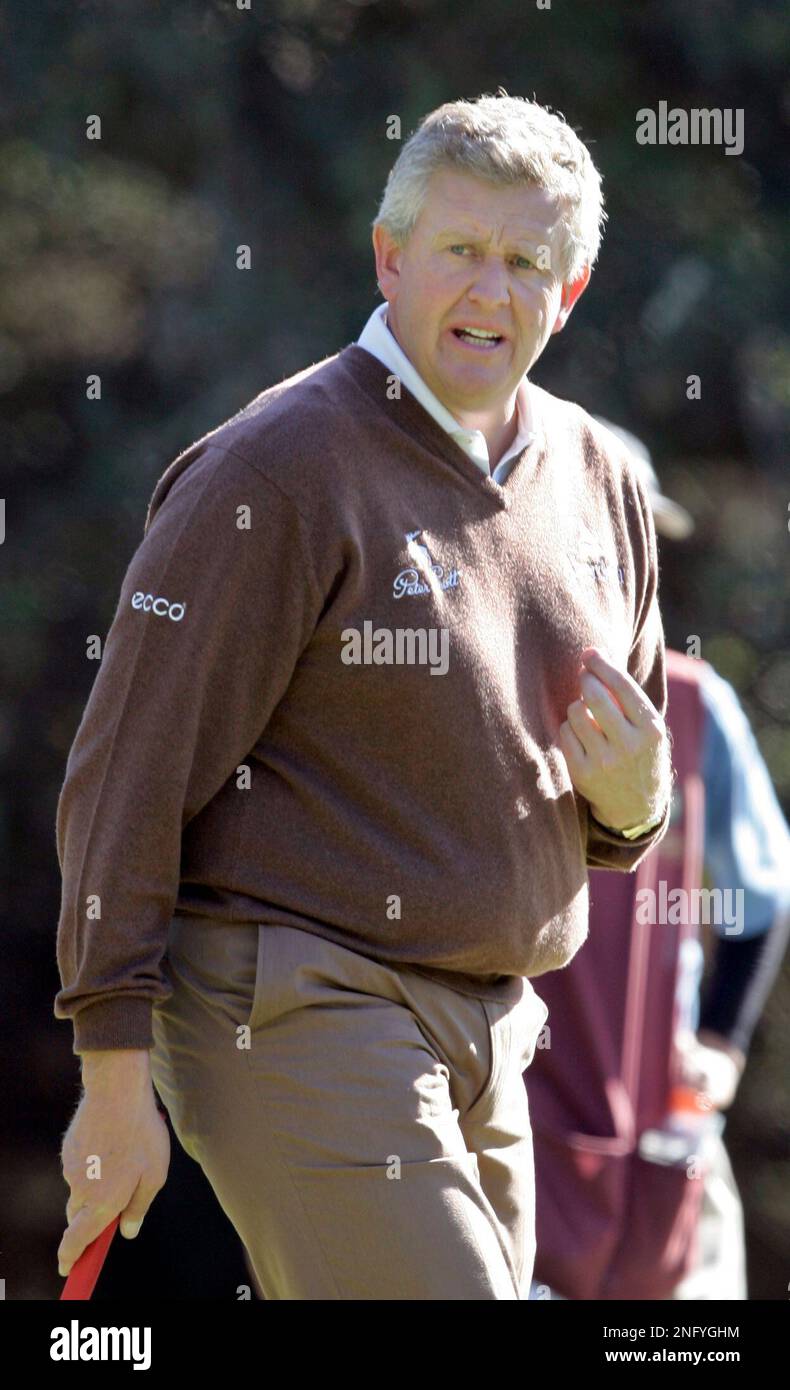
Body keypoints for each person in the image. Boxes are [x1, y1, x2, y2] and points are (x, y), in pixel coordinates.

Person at [54, 91, 674, 1300]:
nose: (489, 293)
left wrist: (640, 802)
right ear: (389, 257)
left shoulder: (600, 475)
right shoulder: (274, 468)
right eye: (458, 252)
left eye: (524, 261)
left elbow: (620, 805)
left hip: (500, 1029)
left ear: (572, 289)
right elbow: (126, 775)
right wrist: (114, 1078)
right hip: (296, 1003)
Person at [526, 423, 790, 1301]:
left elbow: (761, 896)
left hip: (666, 1142)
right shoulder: (484, 690)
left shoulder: (696, 706)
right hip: (505, 1127)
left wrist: (721, 1040)